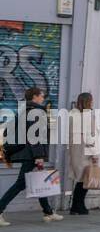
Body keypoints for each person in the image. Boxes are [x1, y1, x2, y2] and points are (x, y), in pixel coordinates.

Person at [0, 87, 63, 224]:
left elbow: (8, 131)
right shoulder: (36, 111)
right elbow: (35, 136)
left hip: (27, 152)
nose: (43, 98)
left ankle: (48, 212)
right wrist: (38, 156)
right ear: (35, 96)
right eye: (41, 95)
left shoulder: (23, 110)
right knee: (20, 184)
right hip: (32, 154)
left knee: (40, 180)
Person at [68, 92, 98, 215]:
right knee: (85, 180)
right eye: (91, 100)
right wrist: (95, 154)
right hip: (85, 153)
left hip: (75, 152)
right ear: (88, 101)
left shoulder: (72, 115)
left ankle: (76, 206)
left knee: (80, 180)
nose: (92, 102)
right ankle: (78, 206)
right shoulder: (88, 116)